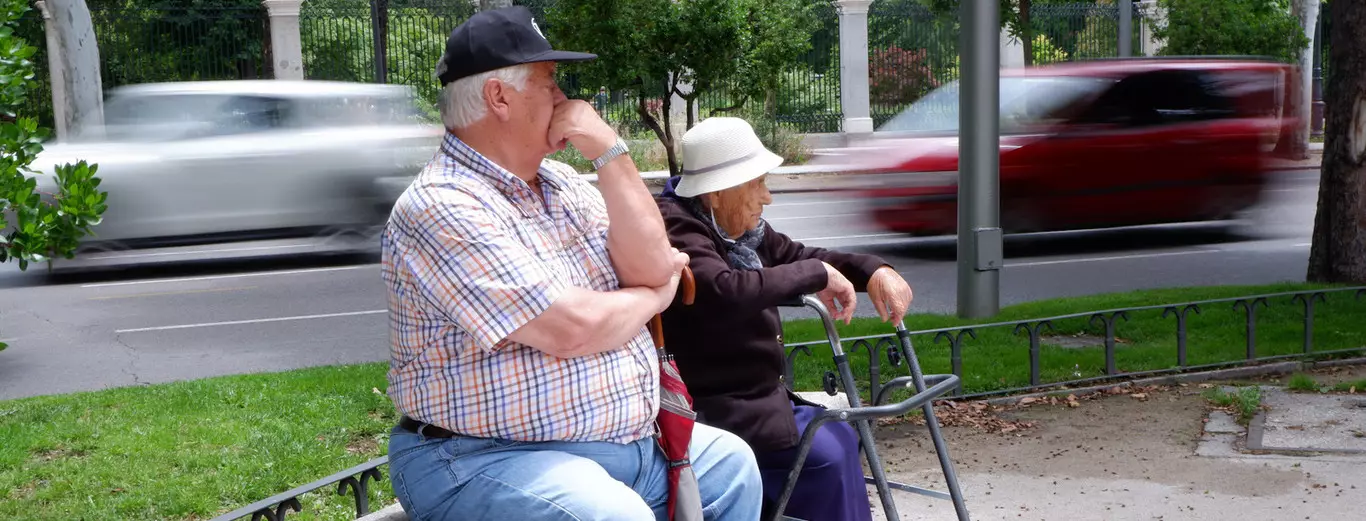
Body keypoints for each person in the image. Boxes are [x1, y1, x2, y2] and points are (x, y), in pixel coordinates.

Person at [379, 8, 763, 521]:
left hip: (623, 446)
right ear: (499, 97)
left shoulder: (561, 183)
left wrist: (610, 151)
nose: (567, 98)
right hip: (480, 456)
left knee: (731, 467)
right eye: (550, 82)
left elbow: (652, 264)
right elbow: (572, 329)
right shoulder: (443, 204)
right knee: (609, 514)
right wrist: (654, 297)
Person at [654, 117, 916, 521]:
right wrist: (818, 276)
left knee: (841, 436)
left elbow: (800, 255)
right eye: (757, 183)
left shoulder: (738, 230)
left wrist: (874, 270)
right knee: (826, 451)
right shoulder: (677, 226)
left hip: (756, 400)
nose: (767, 197)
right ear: (719, 192)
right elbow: (725, 289)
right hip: (715, 409)